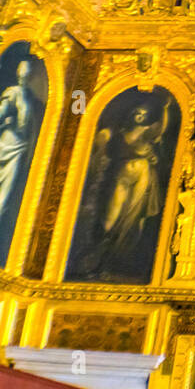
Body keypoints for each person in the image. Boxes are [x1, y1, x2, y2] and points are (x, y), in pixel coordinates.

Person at [83, 98, 172, 278]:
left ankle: (115, 260)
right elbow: (101, 156)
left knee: (135, 219)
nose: (140, 116)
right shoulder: (116, 134)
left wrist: (165, 107)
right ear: (131, 114)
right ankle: (99, 254)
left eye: (144, 114)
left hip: (143, 181)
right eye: (138, 112)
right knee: (111, 217)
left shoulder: (148, 135)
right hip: (119, 181)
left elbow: (161, 127)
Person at [0, 59, 40, 246]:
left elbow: (30, 126)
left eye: (27, 70)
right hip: (4, 146)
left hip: (18, 150)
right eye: (22, 68)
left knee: (4, 197)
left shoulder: (31, 98)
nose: (24, 73)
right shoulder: (12, 92)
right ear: (18, 71)